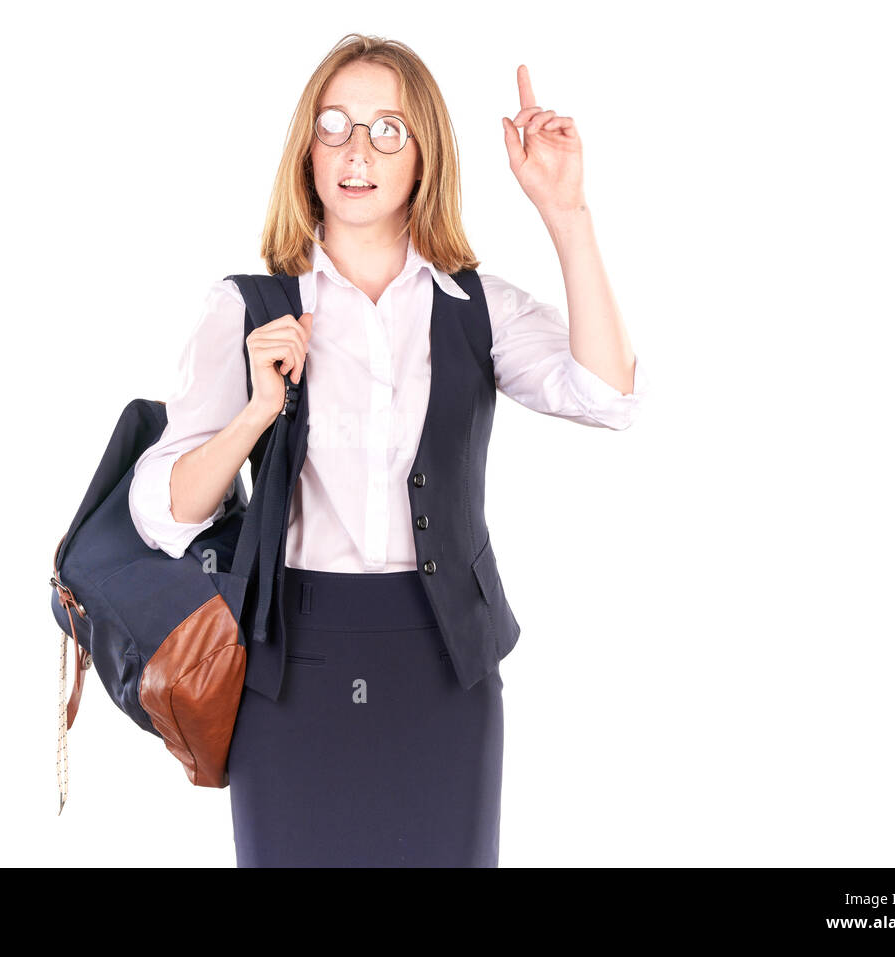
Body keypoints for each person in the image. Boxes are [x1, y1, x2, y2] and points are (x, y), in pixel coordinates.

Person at [128, 33, 646, 867]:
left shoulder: (477, 307)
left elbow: (608, 395)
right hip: (290, 664)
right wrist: (256, 413)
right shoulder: (247, 306)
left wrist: (567, 215)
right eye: (334, 125)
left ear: (424, 157)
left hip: (445, 662)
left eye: (386, 131)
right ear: (307, 149)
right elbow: (162, 512)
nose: (356, 151)